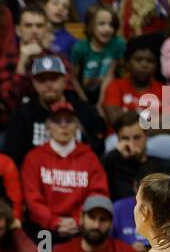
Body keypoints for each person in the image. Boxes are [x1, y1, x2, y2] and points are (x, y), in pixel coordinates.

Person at [19, 100, 109, 242]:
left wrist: (79, 219)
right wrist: (53, 221)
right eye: (57, 121)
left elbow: (98, 194)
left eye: (69, 121)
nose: (63, 126)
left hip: (80, 228)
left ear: (77, 126)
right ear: (48, 126)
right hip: (43, 229)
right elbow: (32, 198)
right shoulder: (34, 157)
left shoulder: (90, 158)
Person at [0, 55, 104, 167]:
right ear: (34, 83)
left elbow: (97, 149)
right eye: (42, 80)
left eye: (54, 78)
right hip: (36, 173)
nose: (48, 84)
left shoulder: (83, 110)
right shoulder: (22, 115)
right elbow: (14, 157)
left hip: (77, 172)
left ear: (64, 80)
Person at [102, 113, 170, 201]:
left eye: (137, 138)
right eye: (125, 138)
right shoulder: (111, 165)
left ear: (146, 136)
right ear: (118, 139)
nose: (131, 144)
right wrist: (115, 153)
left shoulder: (164, 166)